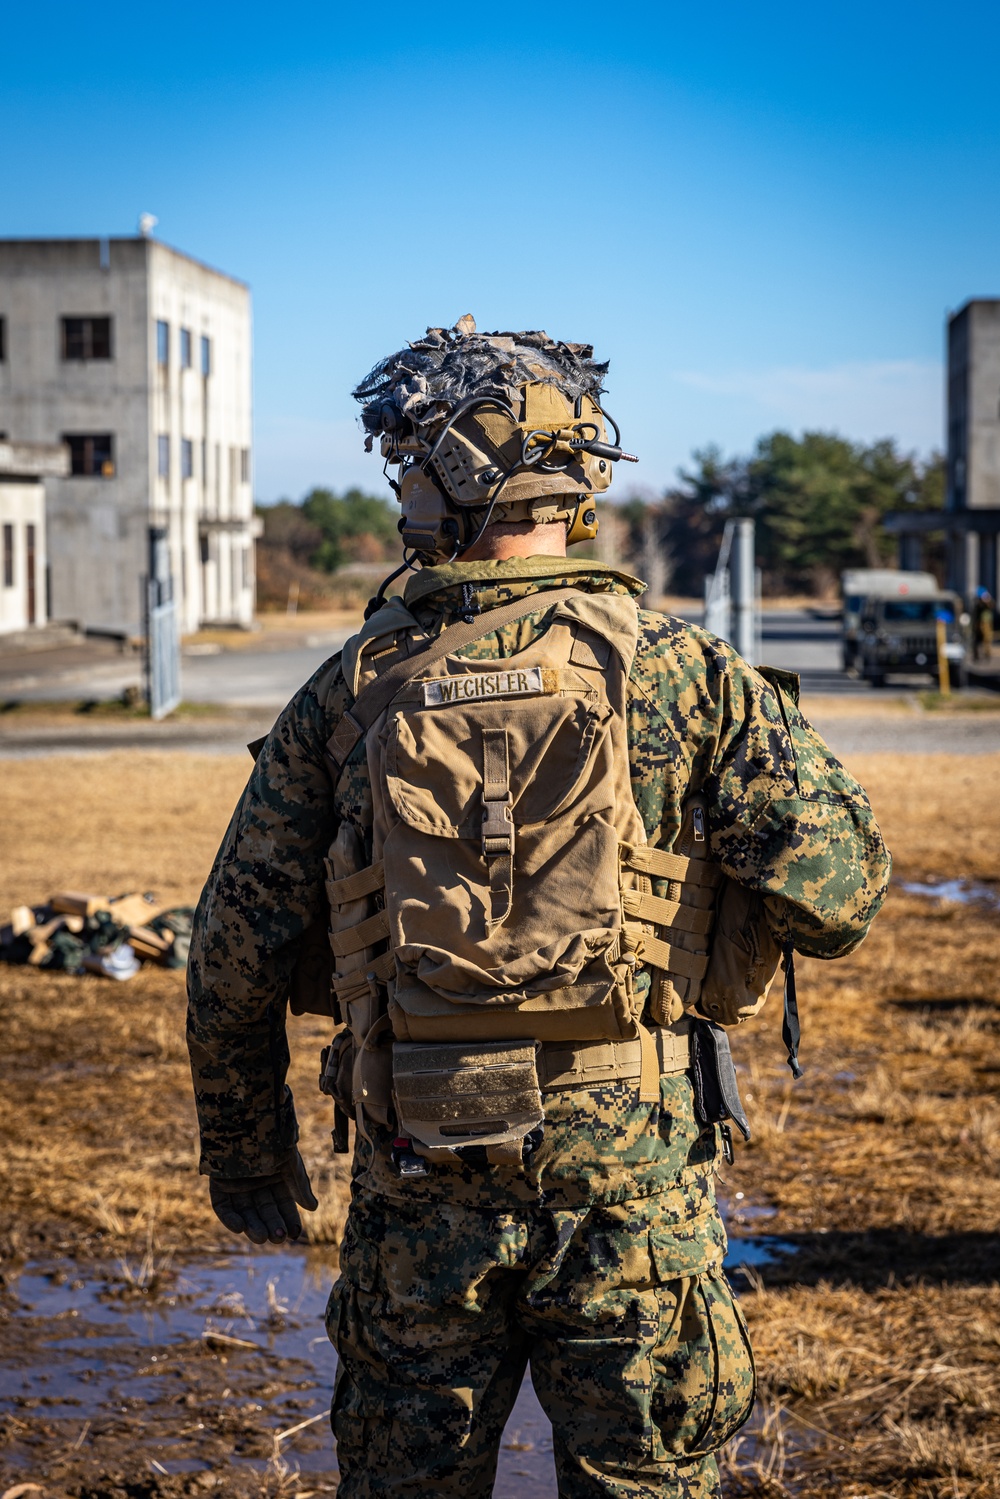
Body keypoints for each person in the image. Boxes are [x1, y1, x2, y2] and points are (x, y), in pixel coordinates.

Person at [187, 319, 891, 1498]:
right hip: (630, 1197)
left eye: (406, 465)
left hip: (419, 1176)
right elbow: (838, 899)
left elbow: (231, 951)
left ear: (446, 482)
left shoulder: (349, 689)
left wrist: (246, 1154)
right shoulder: (683, 671)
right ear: (576, 481)